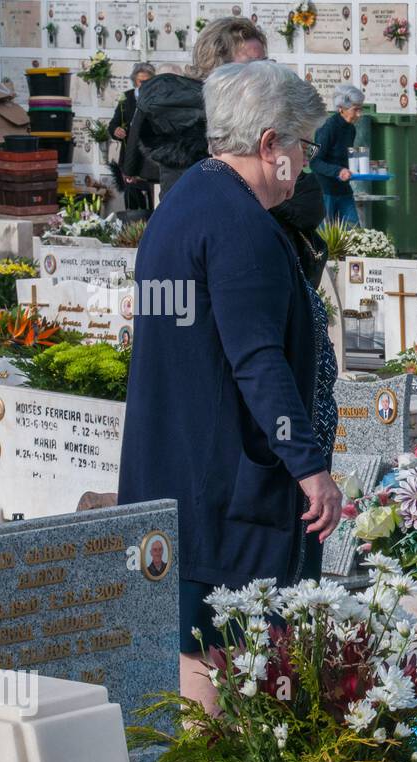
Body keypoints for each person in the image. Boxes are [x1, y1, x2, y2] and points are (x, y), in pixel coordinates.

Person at [119, 61, 341, 708]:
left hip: (179, 479)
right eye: (302, 146)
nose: (304, 162)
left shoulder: (186, 200)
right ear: (270, 144)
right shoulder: (241, 225)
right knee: (228, 667)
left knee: (198, 656)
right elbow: (257, 359)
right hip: (229, 490)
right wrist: (308, 466)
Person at [120, 17, 267, 196]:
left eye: (265, 64)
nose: (263, 74)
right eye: (251, 66)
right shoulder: (189, 123)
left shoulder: (256, 114)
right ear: (217, 67)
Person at [310, 83, 364, 224]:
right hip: (325, 190)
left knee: (353, 232)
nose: (359, 114)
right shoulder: (327, 128)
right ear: (341, 109)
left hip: (344, 189)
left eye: (360, 109)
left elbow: (345, 158)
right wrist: (338, 171)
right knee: (326, 236)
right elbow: (314, 161)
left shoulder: (351, 129)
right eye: (355, 110)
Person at [108, 62, 156, 211]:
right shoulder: (126, 98)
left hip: (149, 157)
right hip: (130, 155)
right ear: (135, 80)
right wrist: (116, 130)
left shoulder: (156, 98)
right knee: (131, 198)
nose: (144, 85)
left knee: (152, 199)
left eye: (148, 81)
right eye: (141, 81)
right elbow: (114, 123)